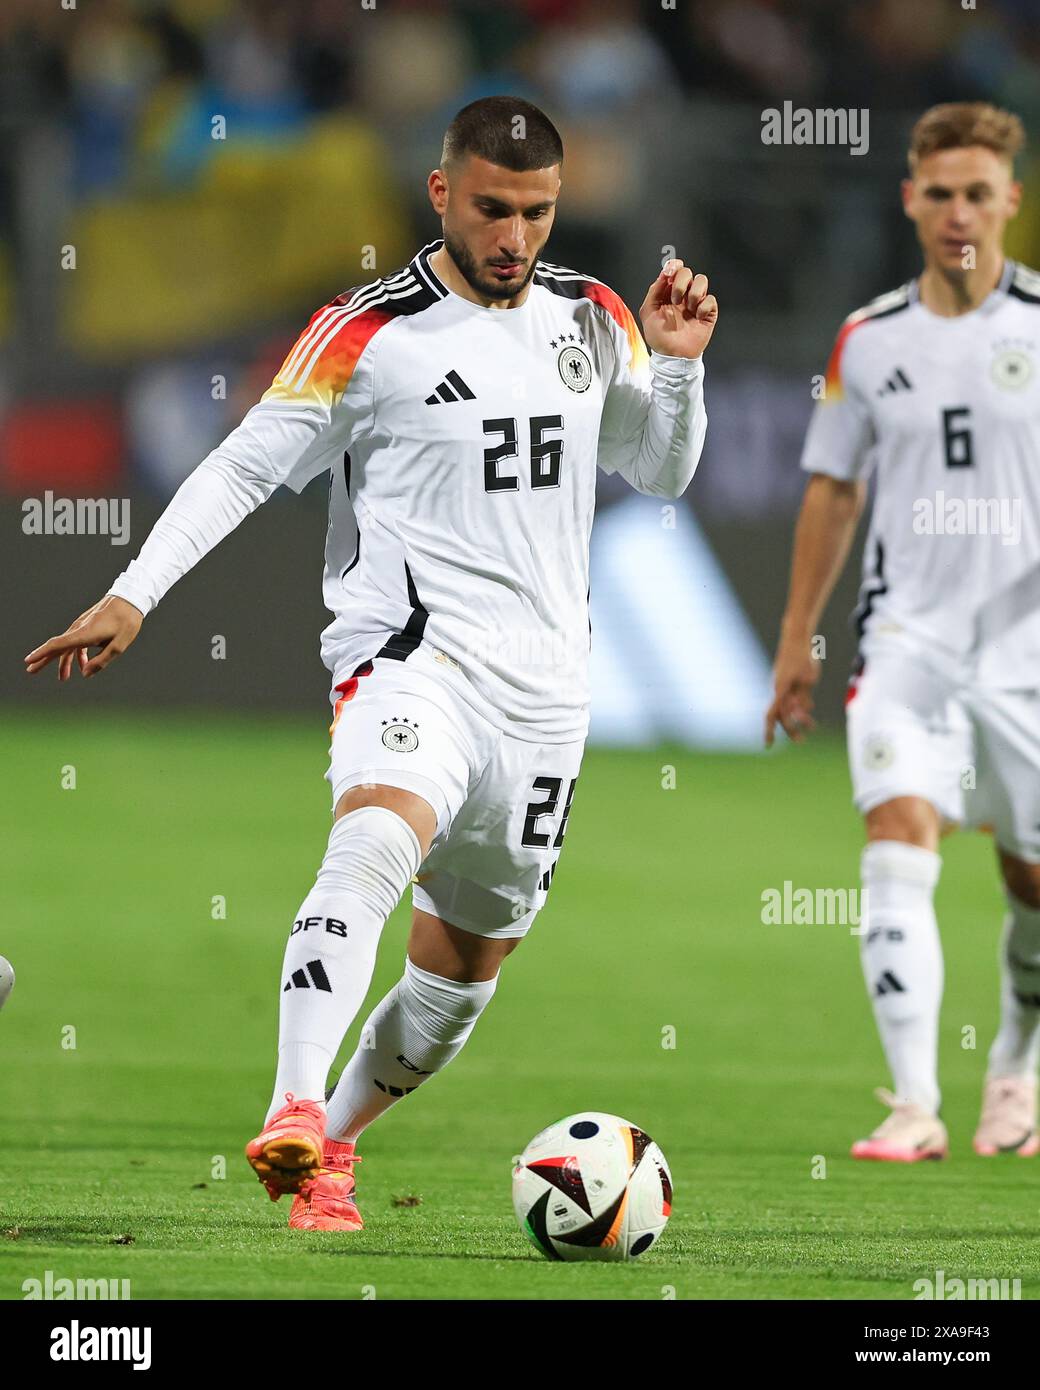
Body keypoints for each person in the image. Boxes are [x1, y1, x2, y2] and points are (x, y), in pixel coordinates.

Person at [25, 96, 717, 1226]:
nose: (514, 236)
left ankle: (331, 1143)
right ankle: (292, 1104)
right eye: (492, 209)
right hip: (412, 660)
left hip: (548, 695)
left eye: (537, 212)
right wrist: (132, 590)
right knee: (371, 840)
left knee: (454, 983)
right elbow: (245, 465)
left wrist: (678, 369)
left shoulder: (593, 315)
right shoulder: (365, 330)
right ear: (440, 192)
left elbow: (659, 468)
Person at [767, 102, 1040, 1162]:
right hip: (905, 646)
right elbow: (831, 490)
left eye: (977, 192)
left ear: (1009, 199)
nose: (958, 212)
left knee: (1028, 882)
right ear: (909, 201)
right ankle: (914, 1102)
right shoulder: (866, 340)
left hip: (1026, 653)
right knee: (896, 834)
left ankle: (1011, 1064)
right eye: (939, 193)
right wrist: (798, 637)